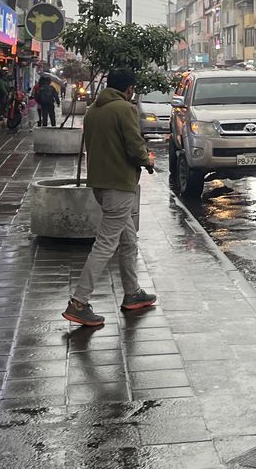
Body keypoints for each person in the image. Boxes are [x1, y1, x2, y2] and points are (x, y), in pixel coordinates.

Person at [63, 68, 158, 327]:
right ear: (128, 89)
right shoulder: (124, 109)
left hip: (101, 184)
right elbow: (134, 144)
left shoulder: (93, 109)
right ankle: (78, 302)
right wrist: (147, 160)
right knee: (106, 244)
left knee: (128, 240)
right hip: (119, 184)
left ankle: (132, 293)